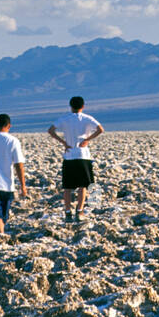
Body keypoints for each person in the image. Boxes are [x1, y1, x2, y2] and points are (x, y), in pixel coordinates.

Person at [48, 96, 104, 224]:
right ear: (83, 106)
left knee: (67, 187)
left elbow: (50, 130)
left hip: (69, 155)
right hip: (83, 155)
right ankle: (79, 212)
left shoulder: (64, 119)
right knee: (82, 186)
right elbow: (101, 129)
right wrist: (87, 139)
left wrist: (63, 142)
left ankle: (67, 213)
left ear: (70, 106)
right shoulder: (87, 118)